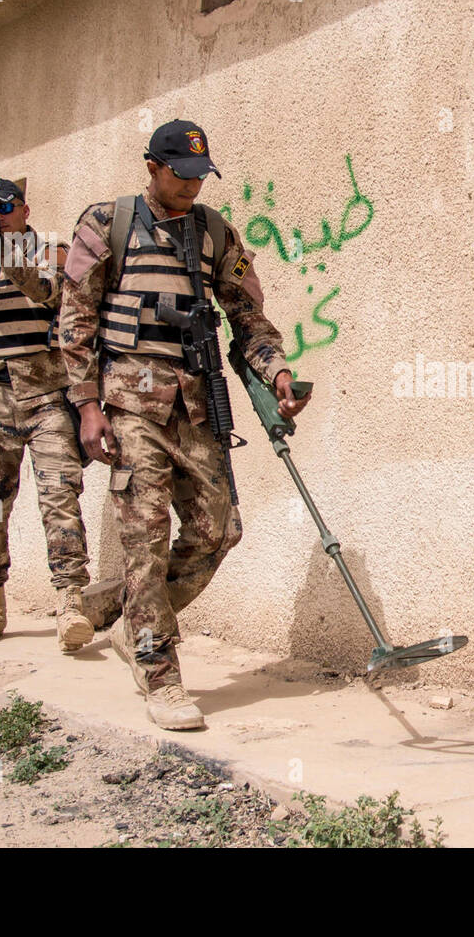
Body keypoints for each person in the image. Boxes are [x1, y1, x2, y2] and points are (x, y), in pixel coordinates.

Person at [58, 120, 310, 730]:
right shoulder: (106, 222)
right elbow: (76, 318)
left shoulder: (217, 232)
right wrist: (87, 405)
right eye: (182, 174)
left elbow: (247, 313)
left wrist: (275, 370)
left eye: (201, 176)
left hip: (196, 403)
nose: (193, 186)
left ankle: (127, 615)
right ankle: (159, 673)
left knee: (219, 530)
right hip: (129, 402)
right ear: (153, 167)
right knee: (144, 537)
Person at [0, 178, 94, 652]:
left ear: (25, 210)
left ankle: (70, 604)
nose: (0, 215)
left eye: (7, 207)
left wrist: (1, 247)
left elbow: (49, 293)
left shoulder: (52, 251)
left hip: (47, 395)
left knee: (59, 497)